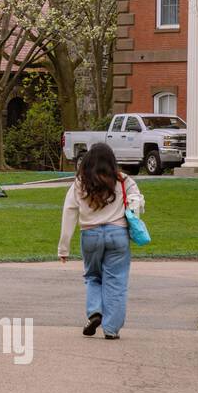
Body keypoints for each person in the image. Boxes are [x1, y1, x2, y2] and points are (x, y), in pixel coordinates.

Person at [58, 142, 144, 340]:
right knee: (116, 281)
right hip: (118, 234)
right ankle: (111, 329)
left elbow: (69, 212)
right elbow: (136, 201)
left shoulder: (80, 182)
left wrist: (64, 247)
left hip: (90, 234)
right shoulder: (123, 180)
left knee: (93, 276)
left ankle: (95, 311)